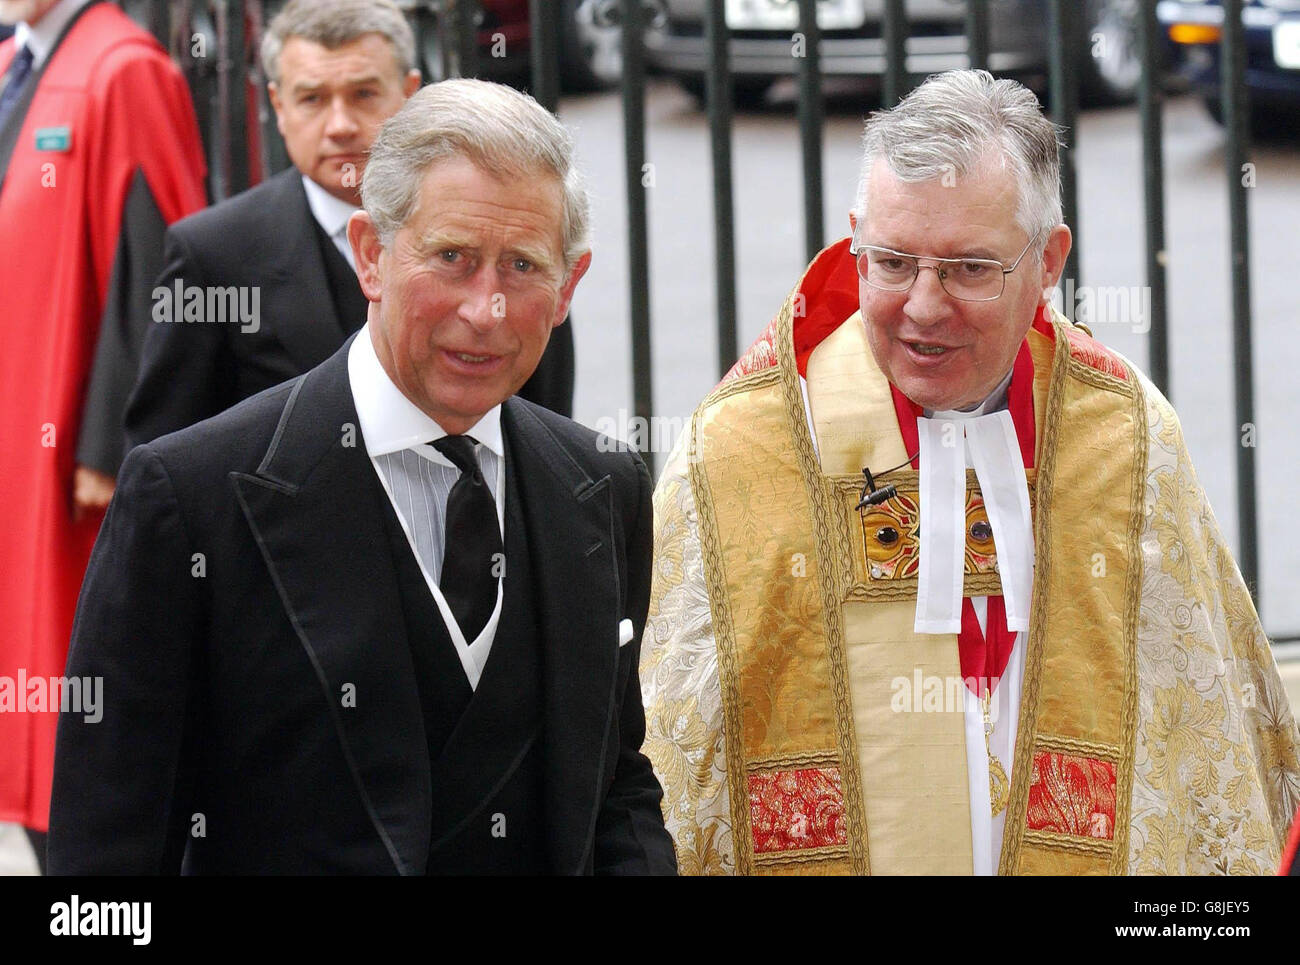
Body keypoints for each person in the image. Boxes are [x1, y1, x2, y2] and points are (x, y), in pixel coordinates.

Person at [641, 69, 1300, 876]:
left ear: (1048, 259)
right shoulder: (746, 450)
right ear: (854, 237)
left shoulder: (1123, 437)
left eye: (969, 269)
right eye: (891, 261)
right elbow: (678, 769)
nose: (923, 305)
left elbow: (1204, 740)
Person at [48, 78, 676, 876]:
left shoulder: (604, 486)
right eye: (453, 258)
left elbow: (613, 782)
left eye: (522, 266)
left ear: (569, 287)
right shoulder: (191, 498)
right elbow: (107, 848)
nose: (486, 309)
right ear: (371, 255)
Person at [125, 0, 576, 455]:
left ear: (409, 92)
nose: (340, 125)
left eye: (363, 94)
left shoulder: (509, 232)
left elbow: (545, 432)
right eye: (313, 99)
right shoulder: (214, 252)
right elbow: (166, 455)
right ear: (278, 105)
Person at [0, 0, 206, 872]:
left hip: (74, 464)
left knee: (85, 722)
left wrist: (114, 441)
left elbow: (162, 254)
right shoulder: (21, 58)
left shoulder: (125, 67)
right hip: (21, 436)